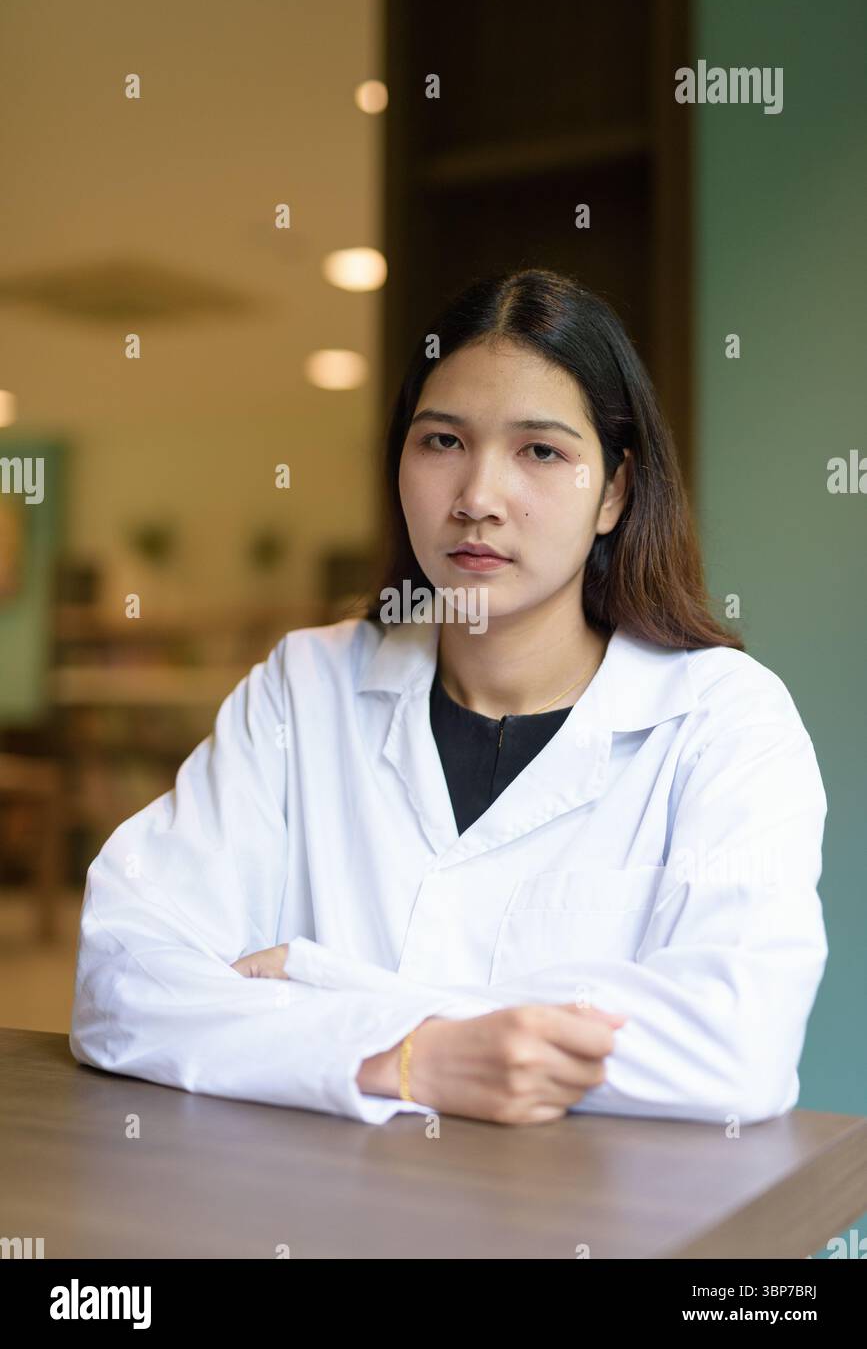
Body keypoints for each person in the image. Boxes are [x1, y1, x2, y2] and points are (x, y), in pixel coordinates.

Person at [70, 268, 828, 1128]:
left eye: (540, 451)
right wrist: (428, 1054)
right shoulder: (302, 687)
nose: (477, 499)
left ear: (613, 491)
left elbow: (734, 1050)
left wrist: (341, 998)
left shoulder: (724, 719)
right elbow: (122, 980)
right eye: (441, 442)